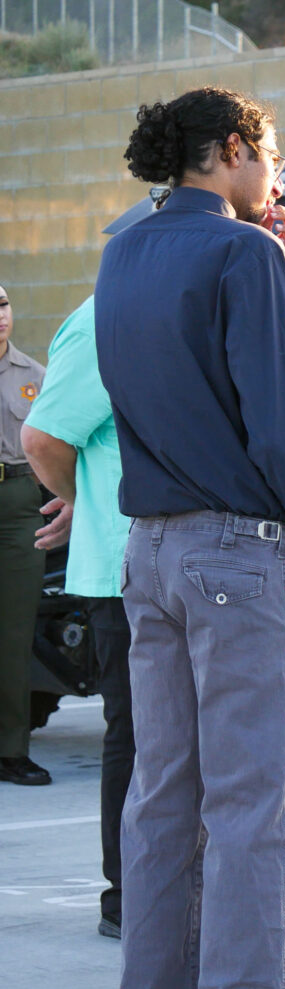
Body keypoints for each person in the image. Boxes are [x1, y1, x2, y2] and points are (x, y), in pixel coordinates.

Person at [94, 87, 285, 989]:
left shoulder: (122, 253)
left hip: (150, 554)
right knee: (255, 819)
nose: (277, 174)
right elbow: (284, 425)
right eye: (271, 154)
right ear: (231, 151)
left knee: (163, 815)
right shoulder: (241, 257)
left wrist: (279, 278)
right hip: (241, 557)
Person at [21, 297, 285, 989]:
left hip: (190, 558)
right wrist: (85, 496)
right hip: (137, 562)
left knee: (195, 764)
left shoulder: (208, 302)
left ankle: (217, 939)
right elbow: (45, 437)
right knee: (161, 760)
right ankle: (159, 926)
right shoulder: (110, 313)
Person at [0, 284, 50, 787]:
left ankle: (11, 750)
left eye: (4, 304)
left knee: (14, 634)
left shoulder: (36, 378)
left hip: (18, 506)